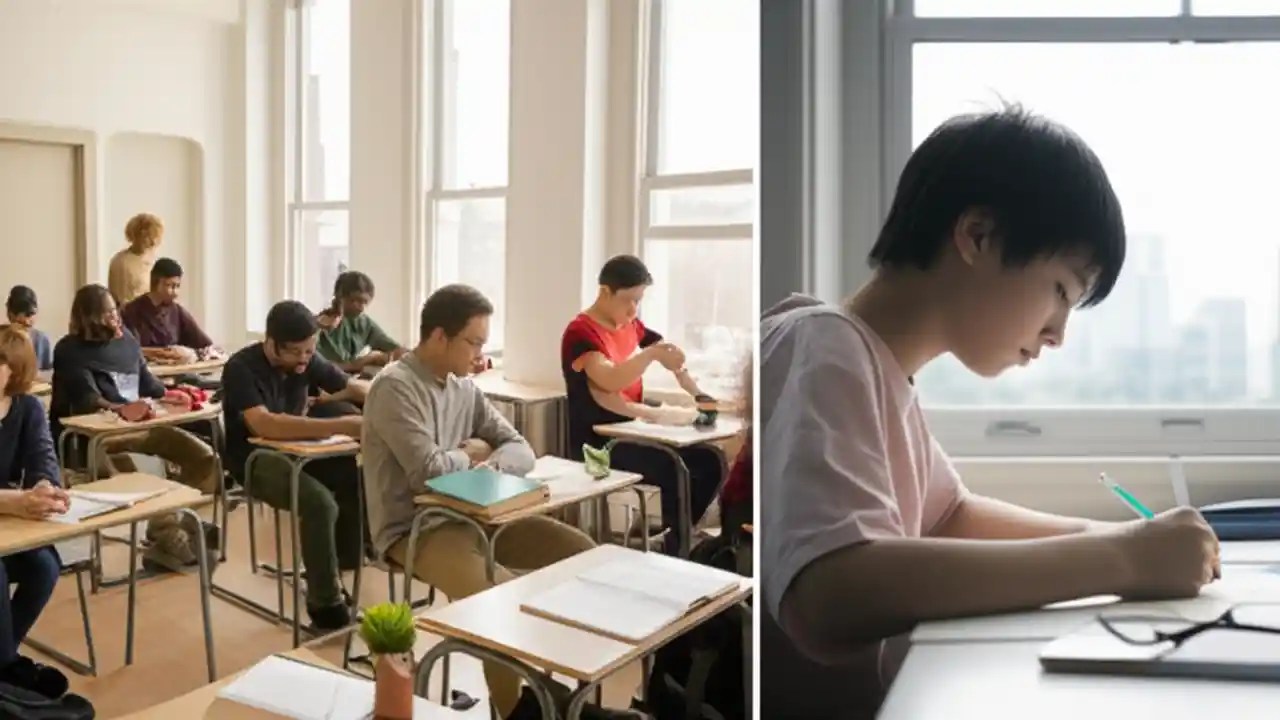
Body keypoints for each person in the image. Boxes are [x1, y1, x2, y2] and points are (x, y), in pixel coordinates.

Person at [760, 107, 1219, 718]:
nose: (1058, 334)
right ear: (977, 236)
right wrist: (1123, 559)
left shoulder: (875, 367)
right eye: (1061, 291)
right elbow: (830, 591)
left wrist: (1118, 536)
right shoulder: (827, 346)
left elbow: (948, 515)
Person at [363, 284, 638, 720]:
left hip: (481, 514)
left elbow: (520, 449)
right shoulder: (394, 387)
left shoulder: (463, 388)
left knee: (585, 557)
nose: (479, 355)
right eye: (473, 342)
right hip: (416, 528)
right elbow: (427, 470)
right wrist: (469, 454)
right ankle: (518, 711)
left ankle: (565, 696)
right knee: (502, 593)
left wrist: (483, 467)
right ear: (438, 337)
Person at [50, 284, 219, 573]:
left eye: (115, 312)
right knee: (132, 480)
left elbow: (147, 384)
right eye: (107, 315)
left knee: (205, 458)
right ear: (89, 319)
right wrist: (121, 409)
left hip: (136, 426)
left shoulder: (127, 339)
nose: (115, 320)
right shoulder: (69, 350)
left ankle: (164, 530)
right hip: (88, 438)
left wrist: (172, 393)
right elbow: (87, 399)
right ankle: (169, 536)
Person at [220, 300, 368, 630]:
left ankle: (336, 567)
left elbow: (349, 386)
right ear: (271, 342)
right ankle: (325, 604)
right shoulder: (241, 367)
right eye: (296, 352)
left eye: (310, 351)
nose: (304, 360)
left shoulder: (307, 360)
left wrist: (385, 400)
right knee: (319, 504)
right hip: (252, 460)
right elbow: (264, 425)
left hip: (297, 451)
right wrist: (342, 425)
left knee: (353, 477)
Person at [561, 254, 722, 555]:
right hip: (598, 443)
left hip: (632, 429)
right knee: (673, 467)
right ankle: (677, 548)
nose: (633, 310)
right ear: (604, 292)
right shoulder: (580, 333)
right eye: (628, 300)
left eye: (639, 301)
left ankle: (676, 535)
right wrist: (650, 356)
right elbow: (609, 380)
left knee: (710, 460)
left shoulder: (631, 325)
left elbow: (665, 352)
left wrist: (694, 388)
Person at [0, 326, 70, 699]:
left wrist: (44, 486)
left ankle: (4, 660)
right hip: (7, 517)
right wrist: (12, 501)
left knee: (44, 567)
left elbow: (44, 456)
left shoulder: (26, 408)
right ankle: (8, 668)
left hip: (10, 526)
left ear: (15, 370)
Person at [120, 257, 219, 364]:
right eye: (170, 286)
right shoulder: (131, 311)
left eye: (177, 286)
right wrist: (163, 353)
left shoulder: (177, 311)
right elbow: (130, 350)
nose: (175, 292)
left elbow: (206, 346)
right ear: (155, 283)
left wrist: (189, 353)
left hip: (176, 373)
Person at [314, 271, 406, 375]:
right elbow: (314, 366)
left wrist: (385, 357)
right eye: (355, 300)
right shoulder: (318, 325)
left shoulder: (364, 323)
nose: (361, 307)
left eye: (365, 302)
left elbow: (395, 349)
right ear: (340, 297)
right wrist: (357, 364)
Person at [108, 213, 164, 305]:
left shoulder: (154, 259)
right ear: (137, 235)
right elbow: (120, 298)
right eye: (149, 237)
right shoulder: (121, 262)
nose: (153, 242)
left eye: (156, 238)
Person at [4, 287, 52, 371]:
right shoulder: (2, 340)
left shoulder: (41, 340)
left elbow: (47, 374)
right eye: (20, 323)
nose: (27, 321)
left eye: (30, 315)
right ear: (10, 315)